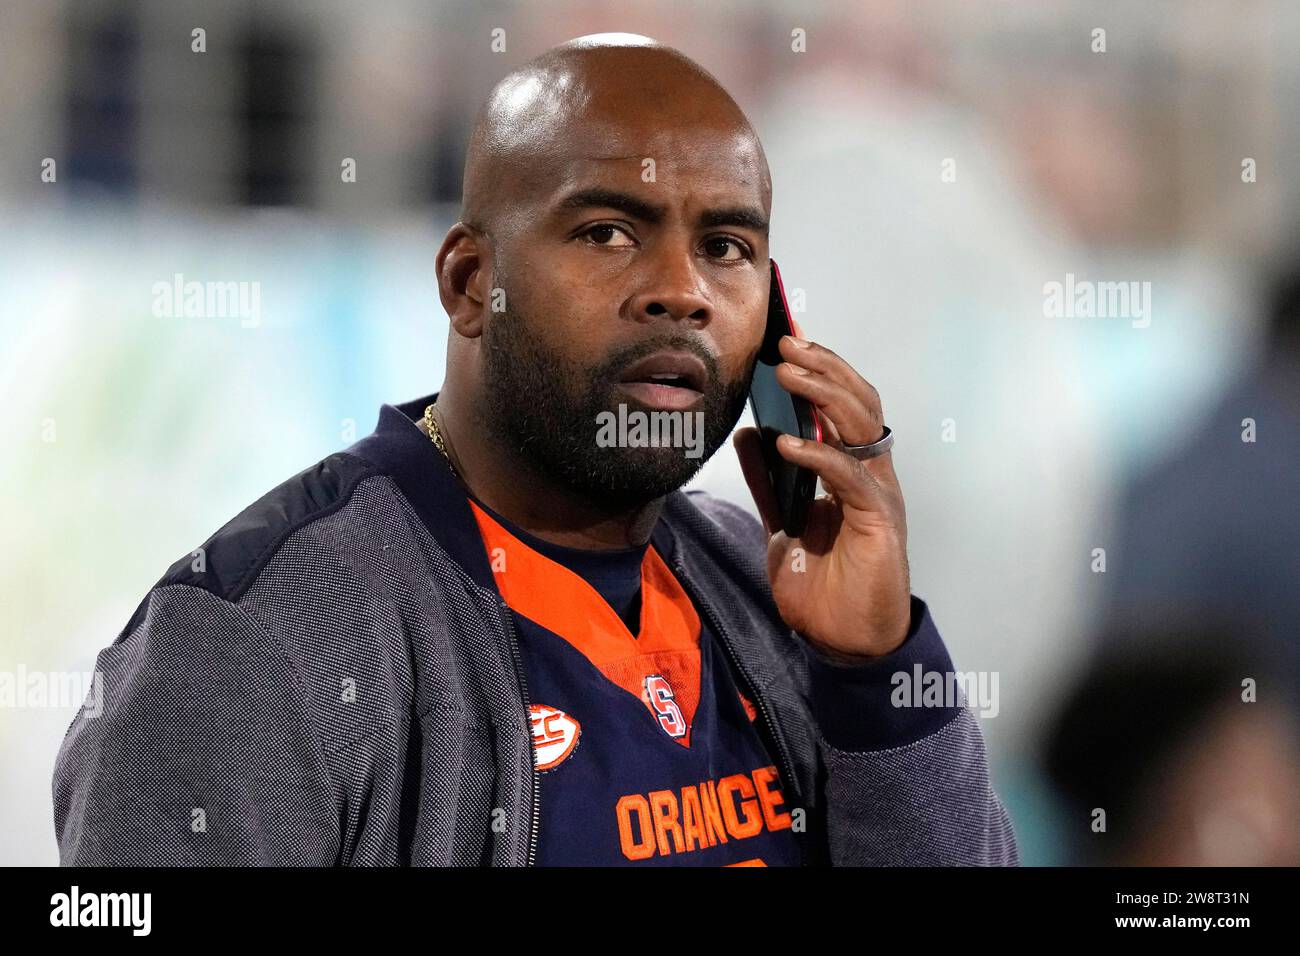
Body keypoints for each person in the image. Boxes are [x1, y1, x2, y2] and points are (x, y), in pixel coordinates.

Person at [53, 34, 1017, 866]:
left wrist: (877, 679)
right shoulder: (251, 643)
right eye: (607, 232)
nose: (681, 291)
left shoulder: (771, 600)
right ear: (471, 282)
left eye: (726, 247)